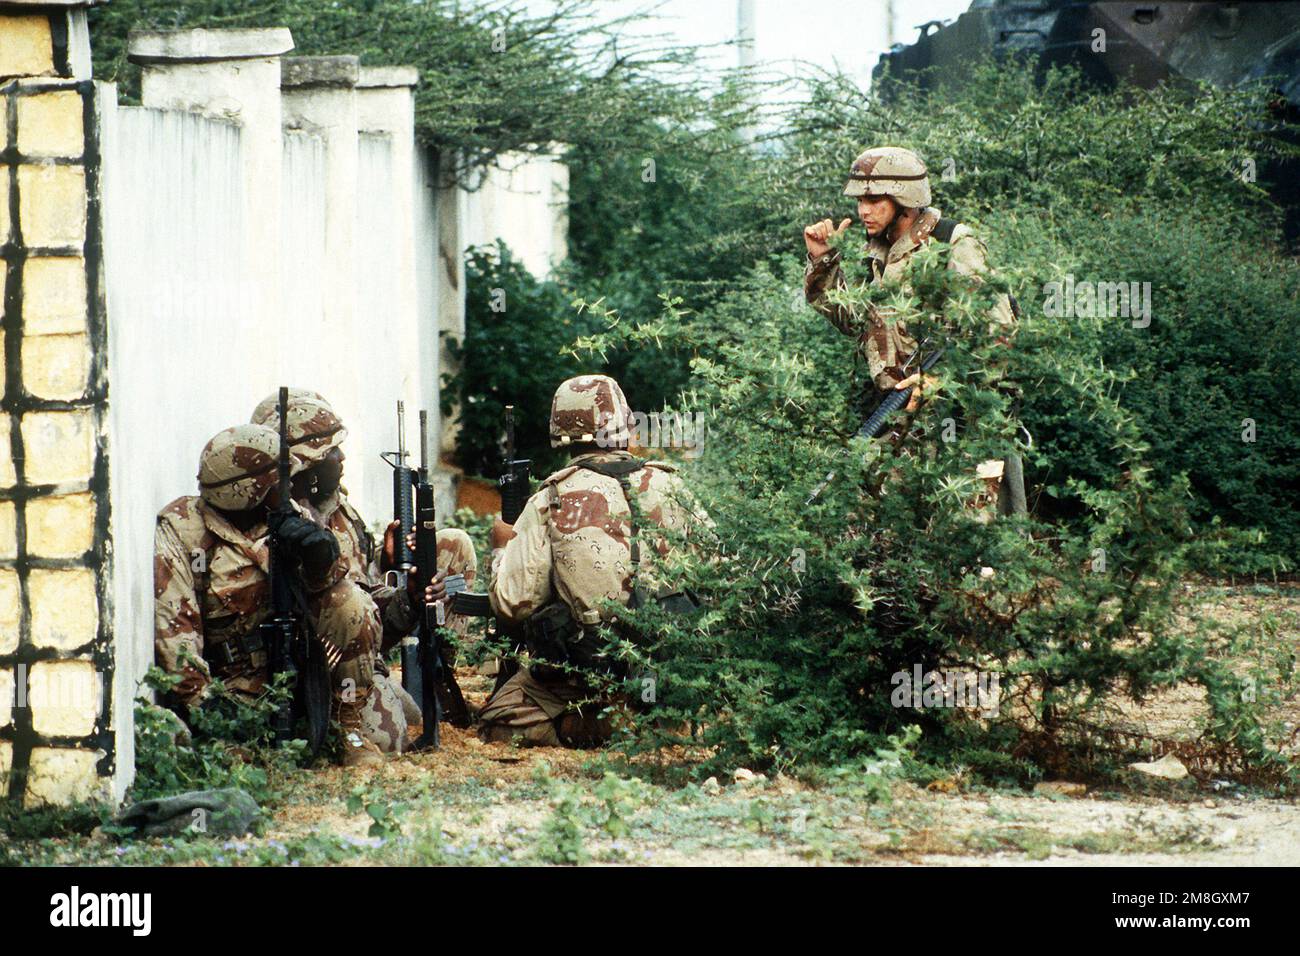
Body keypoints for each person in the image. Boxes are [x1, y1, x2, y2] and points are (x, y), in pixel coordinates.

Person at [430, 374, 706, 747]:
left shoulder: (552, 497)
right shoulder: (673, 486)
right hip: (668, 671)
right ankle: (658, 720)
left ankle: (592, 726)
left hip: (584, 674)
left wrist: (501, 550)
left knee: (499, 721)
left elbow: (513, 604)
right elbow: (718, 573)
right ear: (625, 423)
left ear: (560, 429)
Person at [803, 145, 1026, 517]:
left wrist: (938, 381)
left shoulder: (952, 246)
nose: (863, 210)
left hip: (961, 422)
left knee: (967, 545)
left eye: (874, 199)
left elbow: (998, 338)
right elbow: (854, 321)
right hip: (900, 419)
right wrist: (822, 259)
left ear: (905, 200)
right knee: (874, 533)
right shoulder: (880, 253)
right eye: (861, 199)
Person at [153, 424, 387, 769]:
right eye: (282, 481)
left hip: (303, 673)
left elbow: (330, 594)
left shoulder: (288, 515)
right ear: (249, 492)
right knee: (241, 760)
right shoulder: (183, 531)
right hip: (231, 687)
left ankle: (346, 727)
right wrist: (215, 716)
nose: (292, 486)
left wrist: (320, 558)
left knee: (348, 602)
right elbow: (177, 640)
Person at [248, 388, 479, 734]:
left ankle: (435, 676)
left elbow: (367, 606)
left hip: (361, 653)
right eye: (329, 451)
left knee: (410, 718)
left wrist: (404, 590)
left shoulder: (340, 511)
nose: (341, 457)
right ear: (302, 465)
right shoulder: (274, 522)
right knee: (391, 734)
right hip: (308, 665)